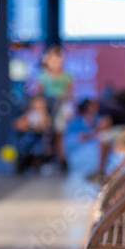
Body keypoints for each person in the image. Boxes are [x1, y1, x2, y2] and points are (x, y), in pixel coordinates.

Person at [35, 45, 74, 173]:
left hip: (61, 106)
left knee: (59, 133)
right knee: (46, 133)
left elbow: (70, 95)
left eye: (58, 60)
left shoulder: (67, 76)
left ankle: (60, 157)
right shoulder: (43, 77)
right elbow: (39, 95)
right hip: (47, 106)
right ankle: (46, 157)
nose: (55, 64)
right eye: (53, 60)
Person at [12, 94, 53, 174]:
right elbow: (17, 124)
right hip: (28, 136)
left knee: (39, 147)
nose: (37, 106)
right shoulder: (28, 114)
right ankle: (22, 163)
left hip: (39, 137)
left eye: (39, 104)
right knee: (23, 144)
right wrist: (29, 126)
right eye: (35, 104)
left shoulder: (44, 115)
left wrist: (38, 126)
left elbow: (46, 126)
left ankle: (38, 162)